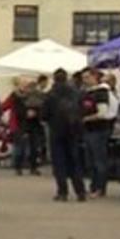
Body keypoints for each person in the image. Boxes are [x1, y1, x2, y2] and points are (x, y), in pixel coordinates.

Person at [44, 68, 87, 202]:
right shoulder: (76, 93)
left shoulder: (50, 94)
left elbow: (44, 115)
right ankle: (80, 191)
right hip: (73, 131)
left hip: (56, 131)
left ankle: (63, 192)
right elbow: (82, 110)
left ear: (54, 79)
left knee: (59, 163)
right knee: (74, 161)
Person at [80, 70, 120, 197]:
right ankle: (93, 186)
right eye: (83, 78)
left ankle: (100, 188)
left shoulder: (101, 93)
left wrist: (85, 119)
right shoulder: (89, 92)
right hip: (90, 130)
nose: (84, 80)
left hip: (99, 130)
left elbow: (102, 113)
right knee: (90, 160)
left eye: (87, 77)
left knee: (99, 160)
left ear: (95, 77)